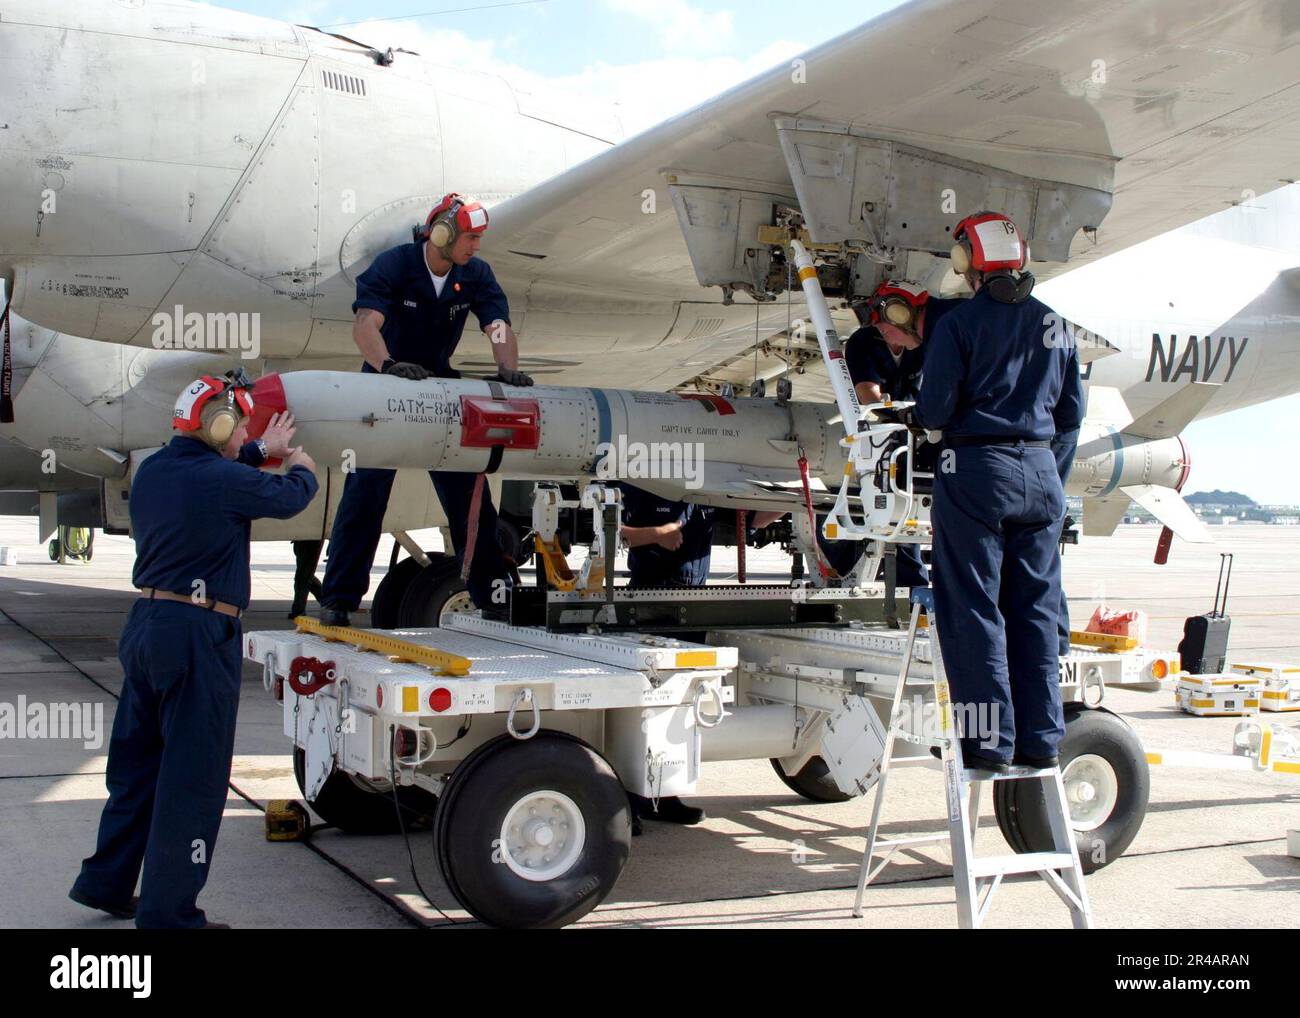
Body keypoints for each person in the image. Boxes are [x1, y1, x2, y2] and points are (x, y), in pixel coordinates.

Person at [71, 372, 318, 928]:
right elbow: (291, 497)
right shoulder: (222, 479)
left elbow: (217, 471)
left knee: (136, 769)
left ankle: (105, 882)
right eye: (238, 428)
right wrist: (297, 461)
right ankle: (169, 915)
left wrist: (257, 449)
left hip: (147, 626)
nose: (242, 438)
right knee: (193, 777)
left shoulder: (155, 469)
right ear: (218, 425)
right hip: (197, 637)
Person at [915, 212, 1085, 771]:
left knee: (972, 608)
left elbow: (936, 410)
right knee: (1035, 609)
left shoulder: (958, 325)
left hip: (977, 472)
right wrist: (1046, 478)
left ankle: (988, 743)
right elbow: (1071, 416)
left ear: (970, 260)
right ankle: (1041, 738)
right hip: (1041, 475)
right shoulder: (1057, 325)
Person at [318, 194, 532, 627]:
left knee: (471, 498)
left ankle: (492, 596)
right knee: (364, 498)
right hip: (383, 393)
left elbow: (497, 324)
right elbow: (366, 324)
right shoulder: (395, 266)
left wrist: (507, 367)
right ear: (442, 234)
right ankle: (337, 601)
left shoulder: (474, 274)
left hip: (438, 394)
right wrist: (388, 365)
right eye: (470, 237)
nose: (476, 247)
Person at [821, 281, 963, 587]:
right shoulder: (862, 343)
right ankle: (880, 576)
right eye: (883, 332)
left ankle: (914, 585)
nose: (886, 335)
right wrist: (900, 415)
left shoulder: (925, 341)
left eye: (888, 329)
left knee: (909, 504)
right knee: (880, 502)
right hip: (877, 430)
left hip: (913, 429)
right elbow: (868, 394)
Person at [616, 482, 714, 827]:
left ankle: (662, 796)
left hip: (692, 607)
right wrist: (657, 534)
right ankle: (626, 800)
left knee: (678, 709)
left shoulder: (706, 483)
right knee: (642, 708)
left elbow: (756, 521)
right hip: (650, 602)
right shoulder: (643, 477)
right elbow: (611, 531)